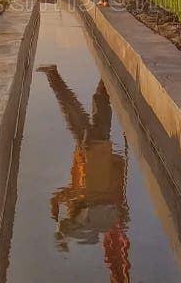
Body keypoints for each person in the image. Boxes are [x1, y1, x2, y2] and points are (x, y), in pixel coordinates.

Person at [38, 65, 130, 281]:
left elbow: (68, 199)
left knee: (94, 102)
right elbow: (68, 221)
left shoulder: (88, 201)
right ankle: (56, 74)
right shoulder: (86, 202)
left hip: (98, 145)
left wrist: (56, 205)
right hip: (93, 146)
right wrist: (57, 218)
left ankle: (109, 71)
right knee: (73, 110)